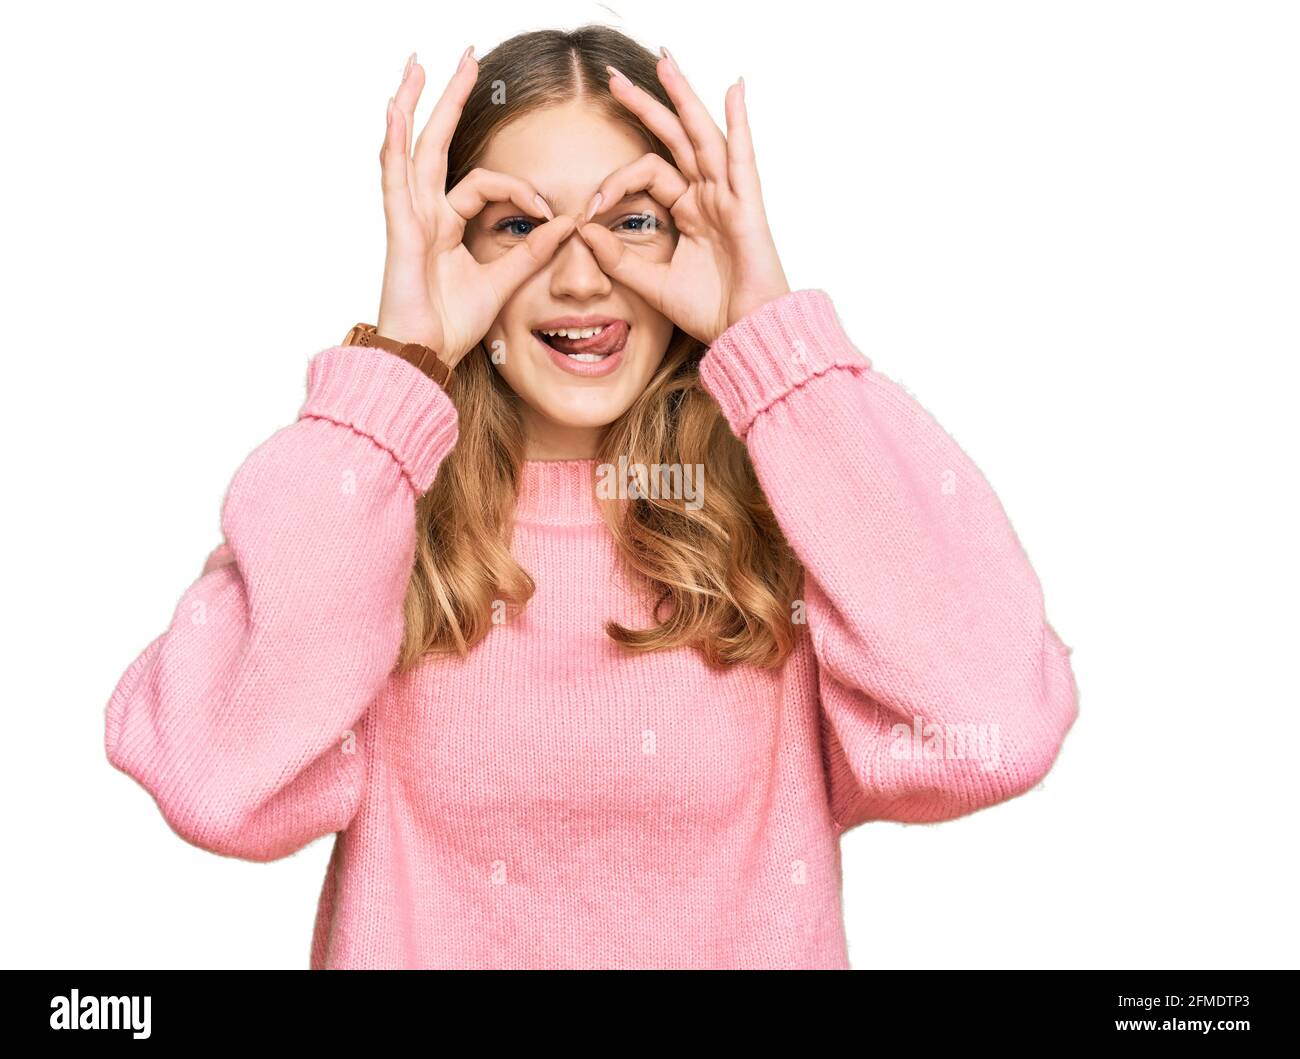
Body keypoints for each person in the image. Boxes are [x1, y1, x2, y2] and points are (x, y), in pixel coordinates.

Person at [104, 25, 1079, 969]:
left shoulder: (791, 514)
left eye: (629, 224)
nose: (577, 279)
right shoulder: (368, 524)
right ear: (455, 248)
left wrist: (778, 340)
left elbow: (995, 725)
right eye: (519, 227)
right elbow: (216, 780)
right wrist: (397, 370)